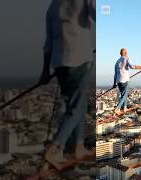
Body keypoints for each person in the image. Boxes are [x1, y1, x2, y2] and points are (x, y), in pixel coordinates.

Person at [39, 0, 95, 170]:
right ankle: (56, 148)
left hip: (59, 63)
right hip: (79, 58)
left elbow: (48, 43)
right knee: (76, 106)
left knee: (79, 102)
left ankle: (78, 146)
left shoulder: (53, 6)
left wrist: (45, 71)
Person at [113, 48, 141, 115]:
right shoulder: (126, 58)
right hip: (125, 80)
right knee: (124, 95)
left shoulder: (117, 62)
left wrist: (114, 83)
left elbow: (115, 74)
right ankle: (117, 109)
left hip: (118, 81)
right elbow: (132, 66)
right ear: (126, 53)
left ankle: (124, 108)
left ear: (120, 53)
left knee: (123, 95)